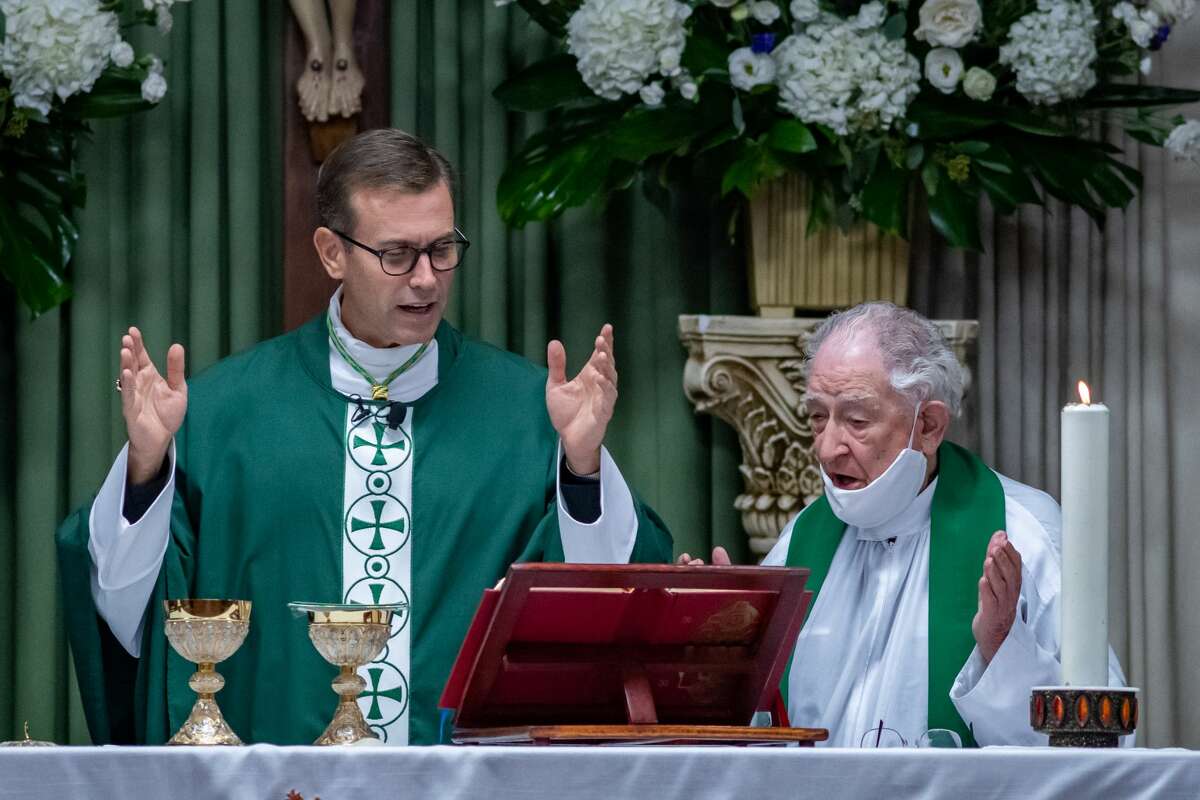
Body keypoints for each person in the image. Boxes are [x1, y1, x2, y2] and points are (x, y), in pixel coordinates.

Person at [57, 129, 673, 746]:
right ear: (332, 252)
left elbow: (611, 611)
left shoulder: (528, 412)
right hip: (278, 778)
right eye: (398, 254)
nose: (427, 279)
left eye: (442, 249)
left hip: (467, 781)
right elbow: (124, 608)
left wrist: (583, 468)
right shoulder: (222, 415)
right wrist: (146, 468)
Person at [679, 302, 1128, 747]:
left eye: (856, 420)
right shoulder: (802, 539)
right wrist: (726, 656)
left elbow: (1103, 745)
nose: (827, 448)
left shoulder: (1024, 532)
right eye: (817, 417)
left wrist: (1001, 648)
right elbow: (758, 736)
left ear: (928, 425)